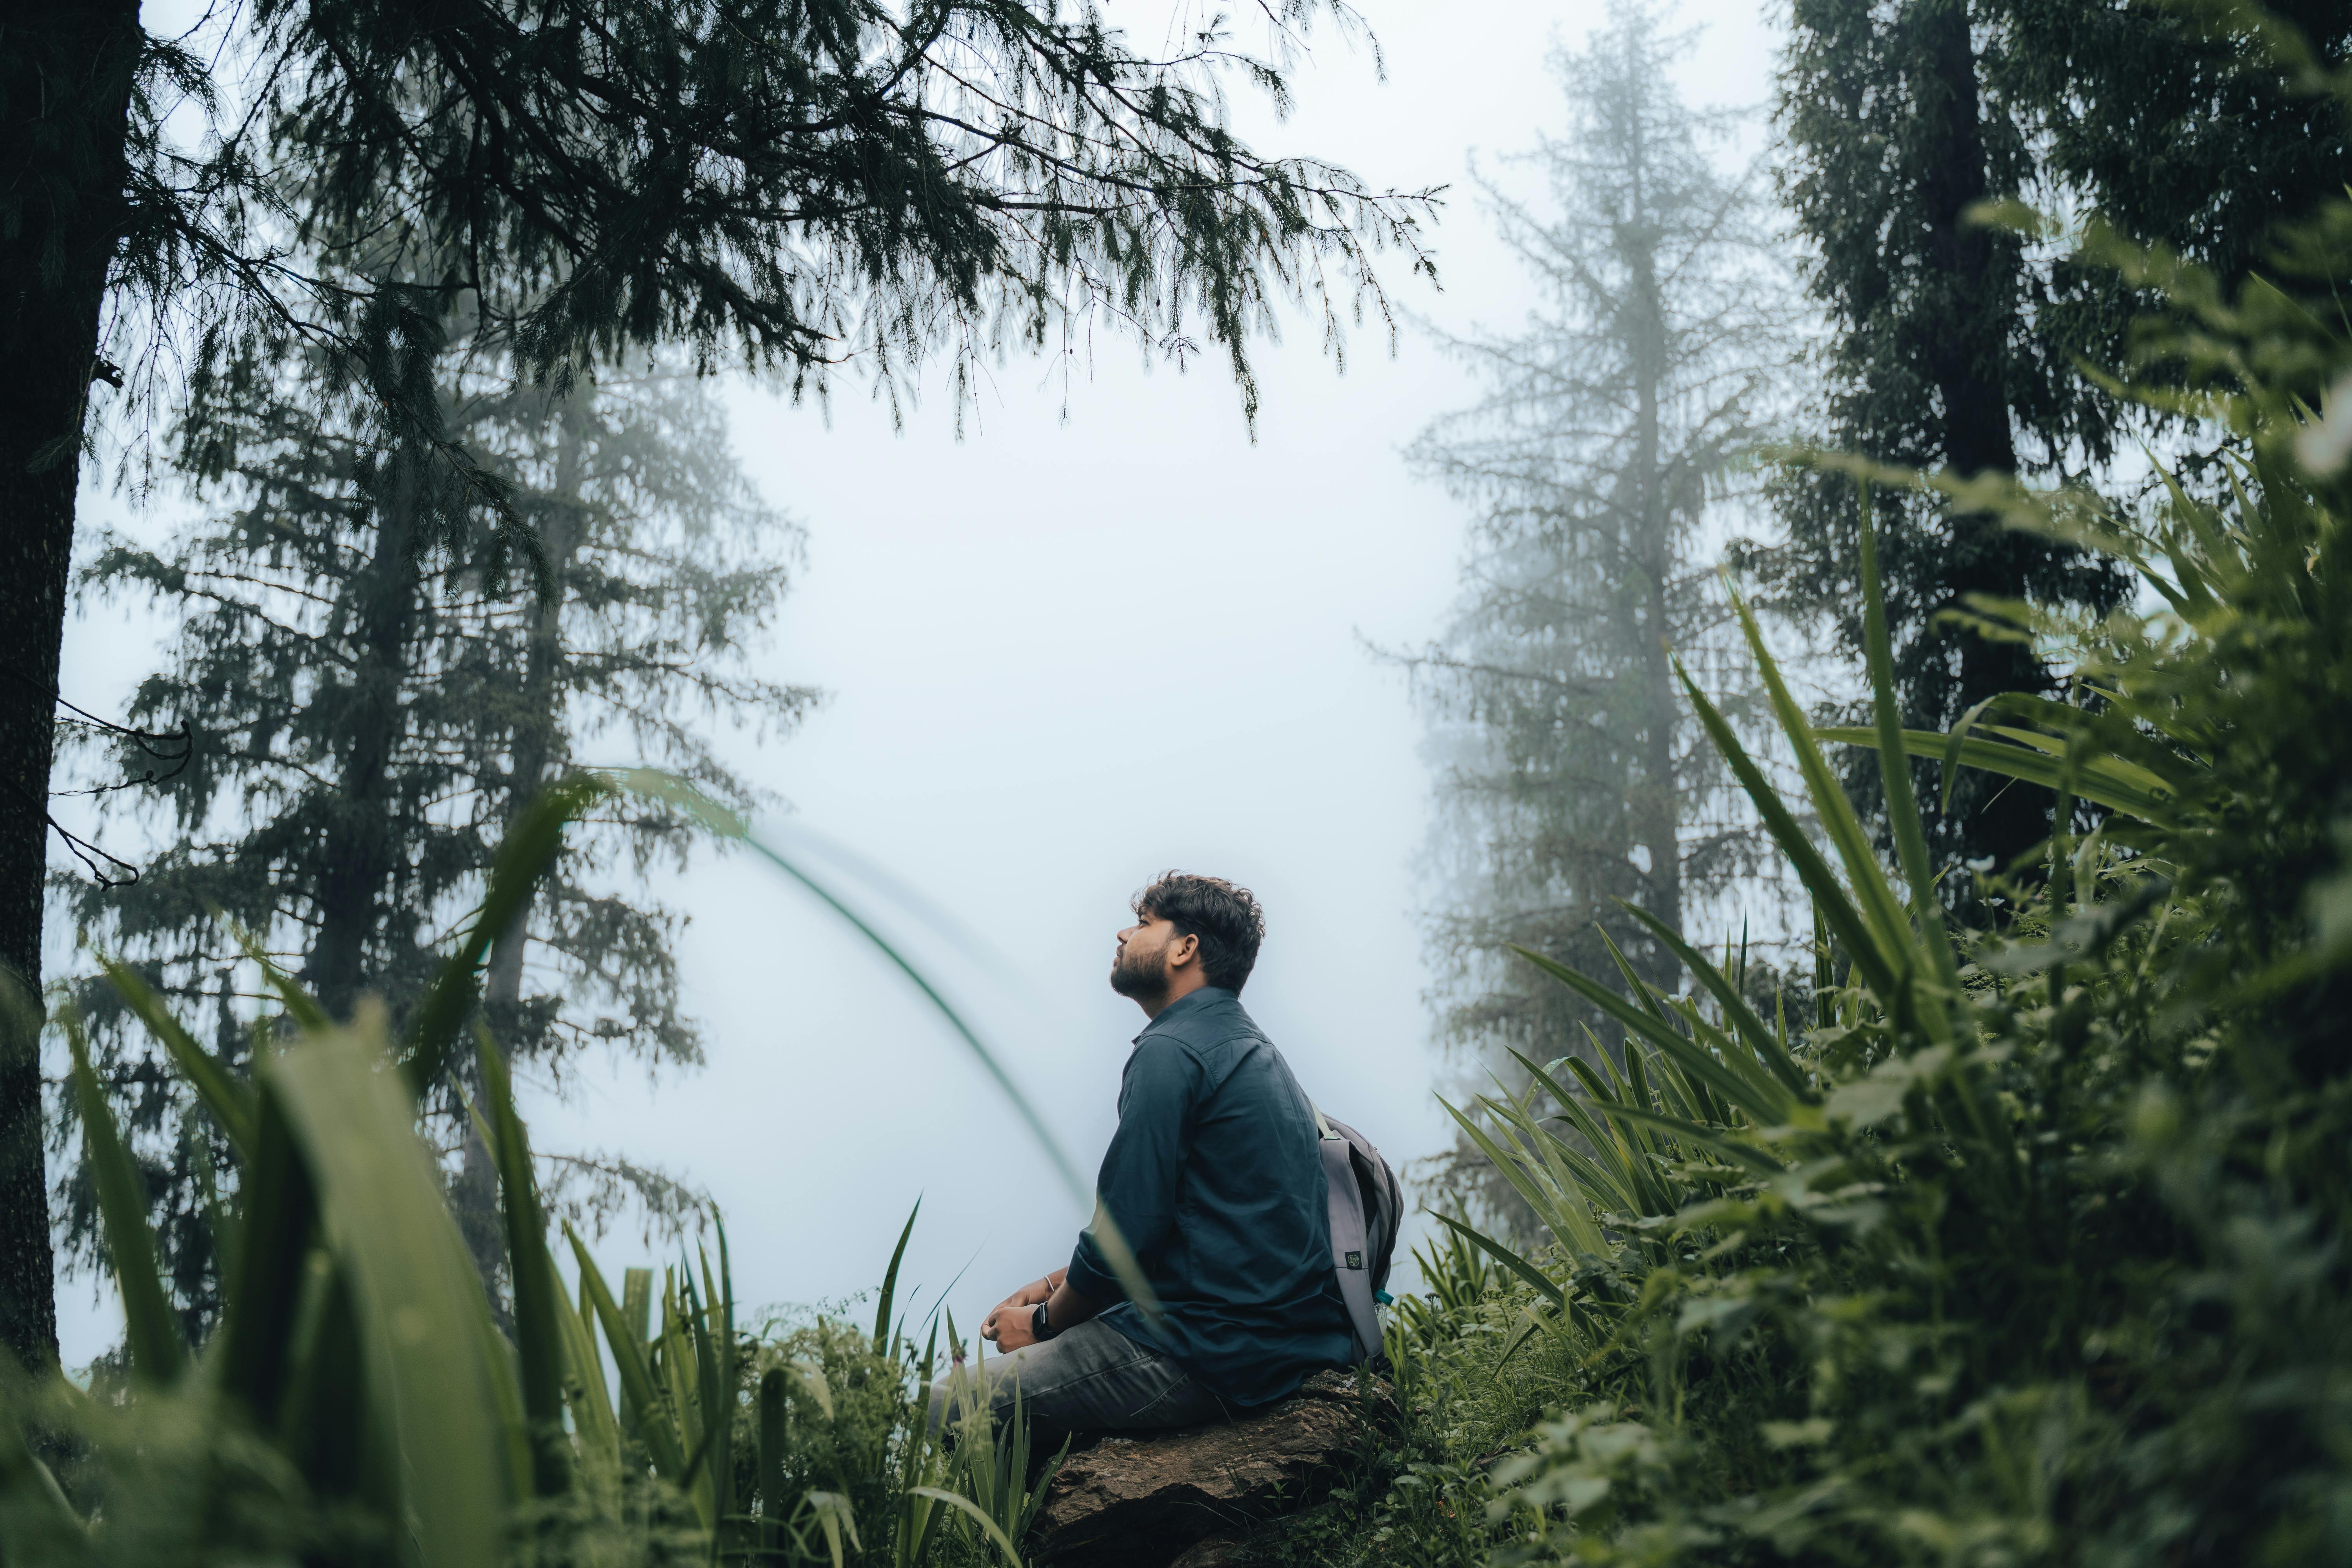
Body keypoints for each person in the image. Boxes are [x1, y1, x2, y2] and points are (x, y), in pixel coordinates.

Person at [930, 872, 1354, 1445]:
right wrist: (1054, 1282)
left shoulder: (1173, 1052)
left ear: (1185, 948)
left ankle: (999, 1533)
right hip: (1283, 1342)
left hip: (1213, 1354)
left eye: (1145, 923)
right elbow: (1197, 1220)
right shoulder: (1253, 1051)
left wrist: (1042, 1322)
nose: (1123, 932)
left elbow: (1127, 1238)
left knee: (941, 1407)